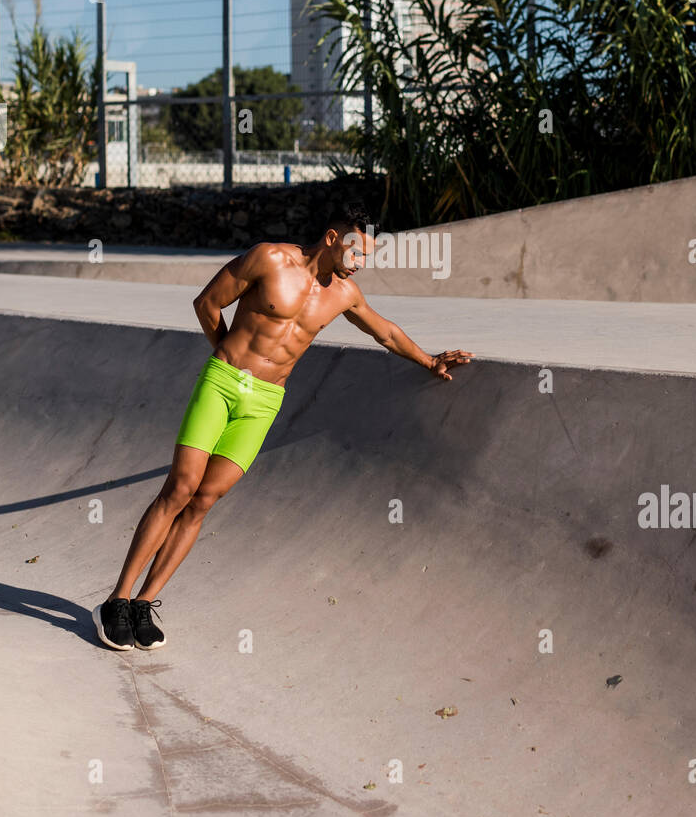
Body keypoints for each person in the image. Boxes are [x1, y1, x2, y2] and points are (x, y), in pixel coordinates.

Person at [92, 203, 472, 650]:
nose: (360, 263)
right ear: (332, 239)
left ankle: (144, 604)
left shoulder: (344, 295)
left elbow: (384, 332)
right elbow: (207, 303)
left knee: (204, 501)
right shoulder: (269, 259)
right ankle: (116, 602)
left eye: (367, 257)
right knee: (180, 489)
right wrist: (228, 359)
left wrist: (429, 360)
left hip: (265, 403)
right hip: (223, 383)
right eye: (356, 252)